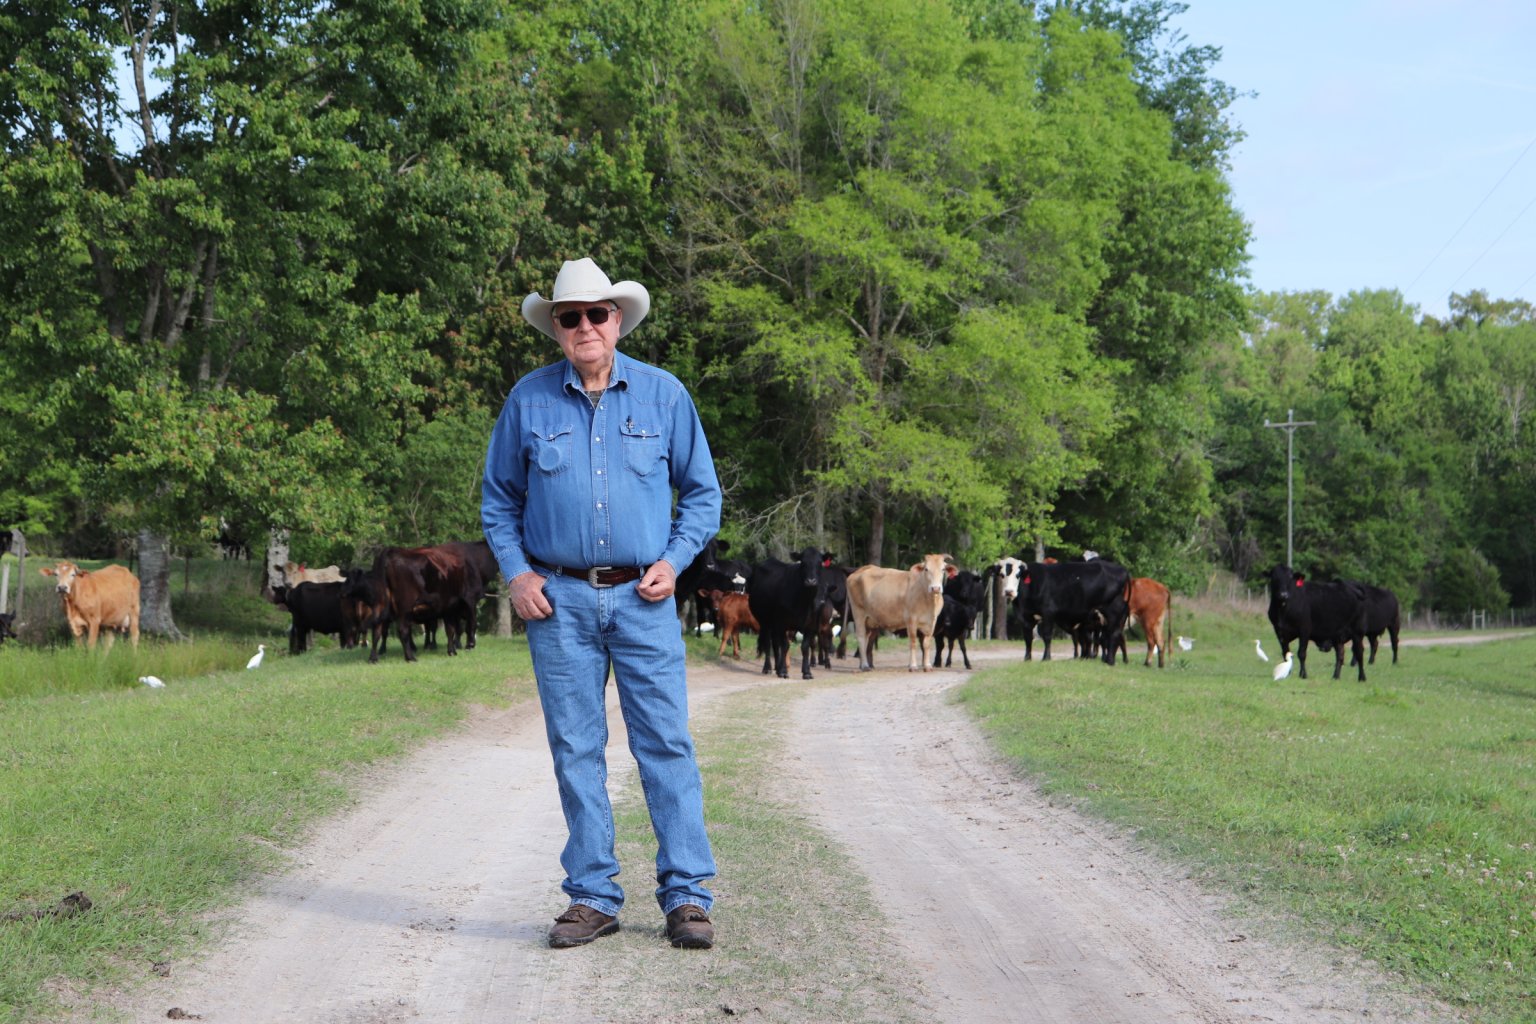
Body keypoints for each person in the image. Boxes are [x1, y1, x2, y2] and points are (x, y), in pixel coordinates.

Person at [481, 257, 721, 950]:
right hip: (558, 603)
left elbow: (702, 495)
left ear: (617, 320)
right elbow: (499, 501)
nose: (584, 325)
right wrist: (518, 575)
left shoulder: (665, 395)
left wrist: (673, 561)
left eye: (596, 313)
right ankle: (592, 896)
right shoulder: (528, 401)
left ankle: (687, 895)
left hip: (645, 599)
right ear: (556, 327)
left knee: (665, 744)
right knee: (576, 749)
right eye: (570, 316)